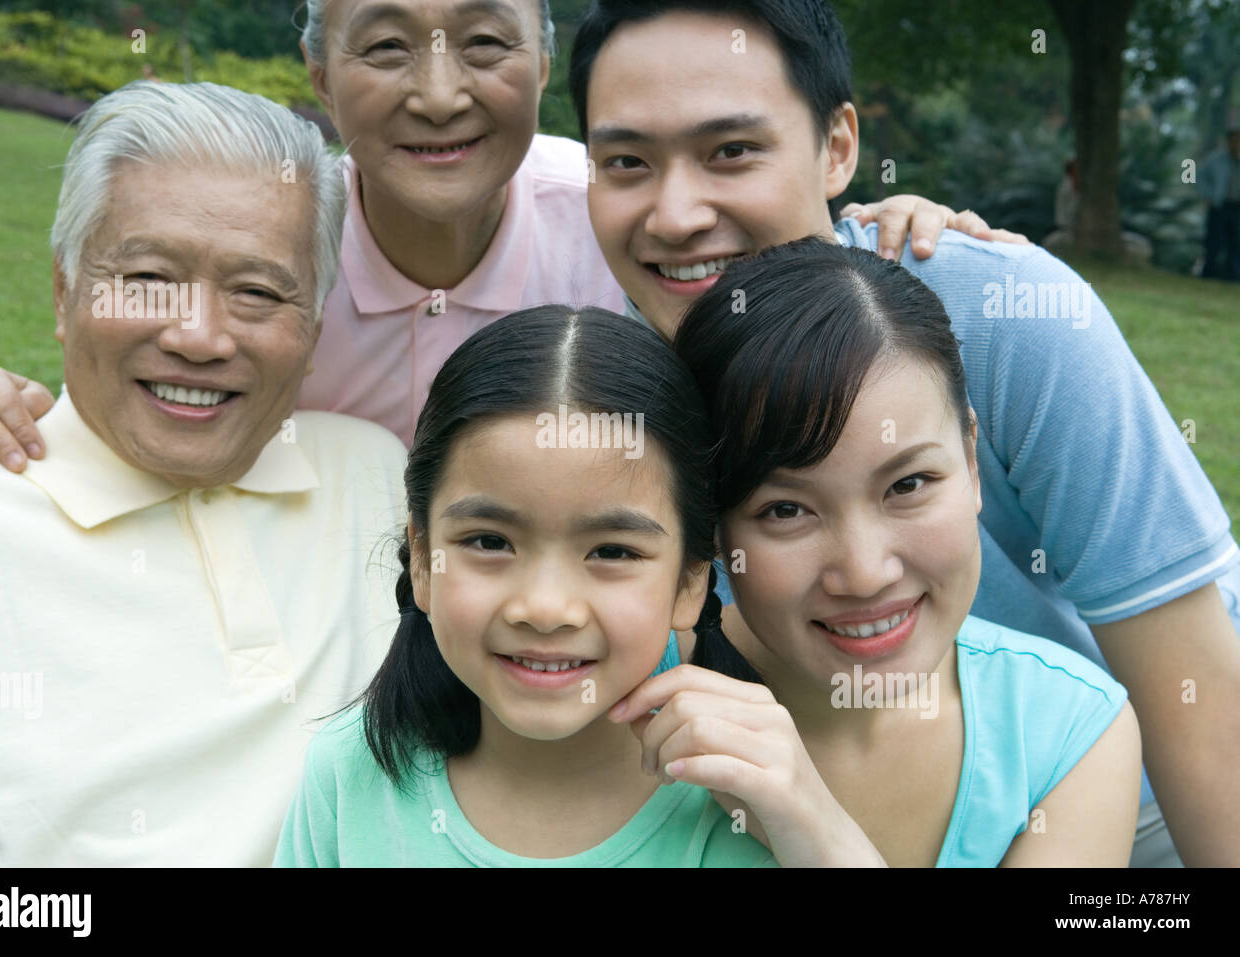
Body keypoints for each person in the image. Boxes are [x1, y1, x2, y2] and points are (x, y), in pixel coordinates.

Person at [568, 0, 1240, 866]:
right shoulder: (618, 388)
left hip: (1101, 808)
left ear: (838, 146)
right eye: (626, 162)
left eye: (732, 151)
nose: (675, 213)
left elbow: (1200, 701)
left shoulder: (1001, 315)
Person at [0, 0, 1014, 465]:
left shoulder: (626, 221)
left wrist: (871, 226)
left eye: (489, 42)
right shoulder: (267, 239)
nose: (440, 95)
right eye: (387, 48)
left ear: (546, 67)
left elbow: (782, 276)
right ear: (321, 77)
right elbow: (146, 359)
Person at [0, 80, 407, 866]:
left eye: (258, 291)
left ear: (315, 328)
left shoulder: (375, 476)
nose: (199, 336)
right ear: (64, 292)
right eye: (149, 277)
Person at [611, 239, 1142, 866]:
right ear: (712, 527)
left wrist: (814, 826)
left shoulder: (1068, 729)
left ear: (971, 462)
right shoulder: (618, 703)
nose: (864, 575)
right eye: (786, 510)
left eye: (907, 485)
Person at [274, 306, 774, 867]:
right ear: (421, 559)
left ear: (691, 580)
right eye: (489, 543)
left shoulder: (751, 802)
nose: (544, 608)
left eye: (612, 551)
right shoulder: (348, 776)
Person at [1199, 127, 1240, 281]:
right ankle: (1208, 273)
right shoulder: (1215, 160)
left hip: (1237, 208)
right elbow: (1200, 177)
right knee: (1213, 241)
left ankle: (1233, 277)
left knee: (1236, 243)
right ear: (1228, 141)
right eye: (1235, 140)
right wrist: (1208, 196)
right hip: (1219, 206)